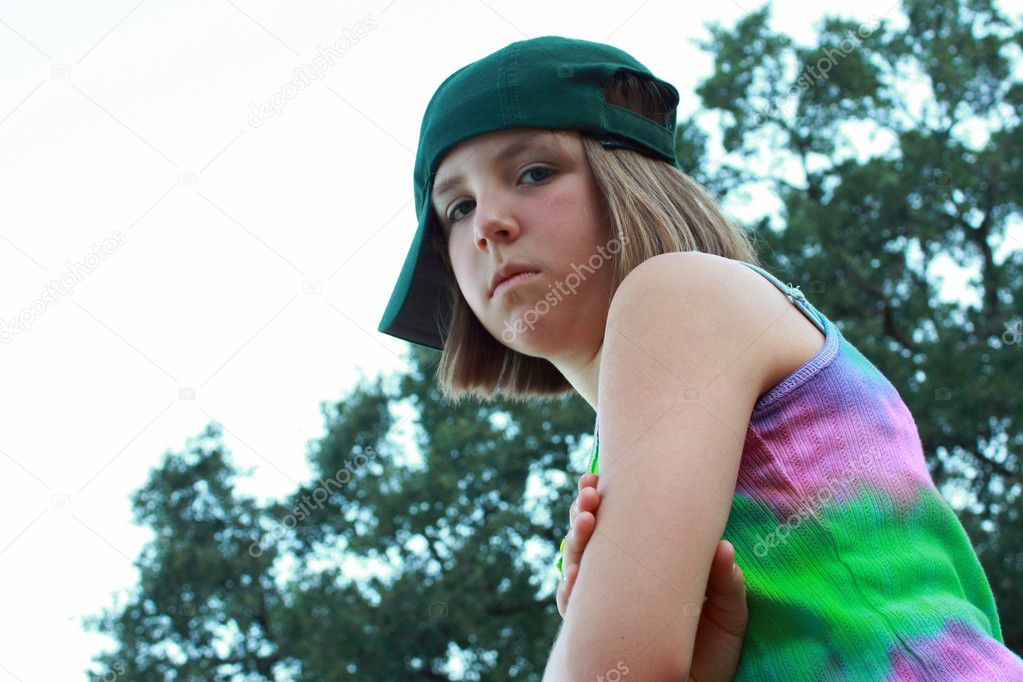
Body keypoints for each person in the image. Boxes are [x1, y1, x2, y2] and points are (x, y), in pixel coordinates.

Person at [377, 35, 1023, 680]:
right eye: (457, 207)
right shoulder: (629, 446)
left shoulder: (678, 294)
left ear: (627, 178)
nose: (487, 223)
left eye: (534, 173)